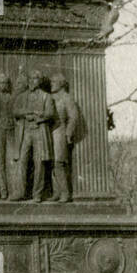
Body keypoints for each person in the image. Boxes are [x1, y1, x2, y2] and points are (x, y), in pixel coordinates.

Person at [15, 70, 55, 201]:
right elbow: (15, 111)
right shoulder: (22, 96)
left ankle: (37, 194)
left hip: (39, 131)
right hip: (25, 131)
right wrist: (26, 113)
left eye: (35, 79)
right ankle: (20, 192)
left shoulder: (46, 96)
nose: (32, 81)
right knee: (22, 161)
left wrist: (39, 116)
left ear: (40, 80)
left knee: (39, 163)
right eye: (30, 78)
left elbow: (50, 113)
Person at [47, 74, 83, 202]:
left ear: (61, 83)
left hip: (60, 132)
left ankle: (65, 193)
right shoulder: (51, 97)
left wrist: (68, 133)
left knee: (59, 162)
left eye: (54, 81)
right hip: (49, 132)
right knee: (51, 162)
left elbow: (74, 117)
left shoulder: (67, 98)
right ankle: (57, 192)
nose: (51, 83)